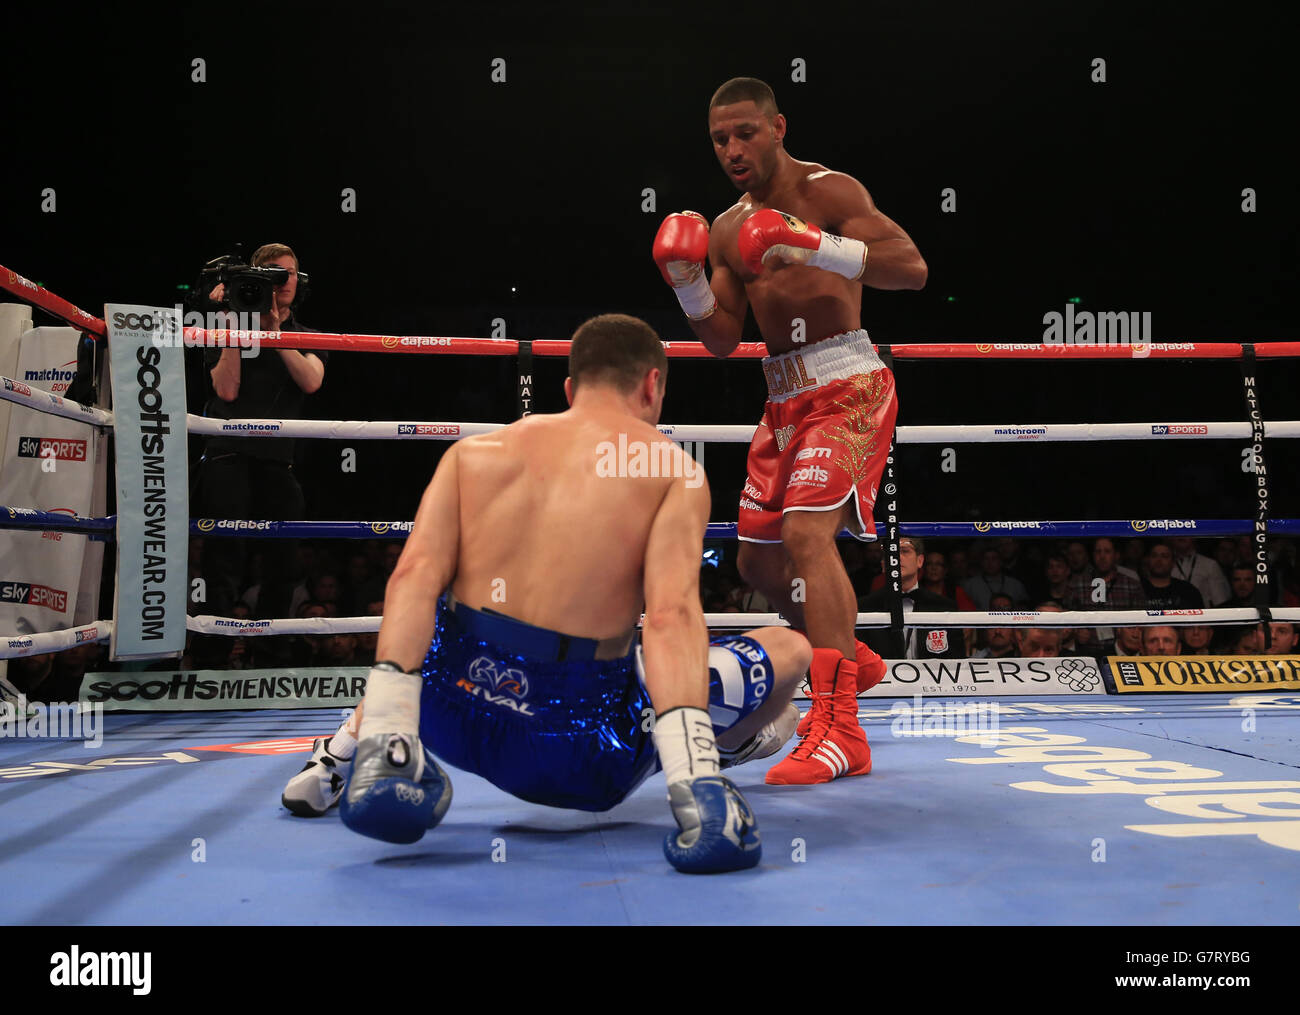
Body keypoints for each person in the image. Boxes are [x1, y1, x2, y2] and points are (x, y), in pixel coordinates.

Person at [285, 315, 812, 874]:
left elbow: (410, 578)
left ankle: (351, 754)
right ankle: (716, 751)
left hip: (447, 717)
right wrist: (694, 777)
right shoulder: (670, 471)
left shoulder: (473, 454)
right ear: (652, 385)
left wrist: (392, 726)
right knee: (789, 651)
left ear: (568, 388)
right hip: (577, 755)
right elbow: (669, 617)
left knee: (438, 615)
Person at [651, 76, 927, 785]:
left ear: (778, 127)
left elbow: (912, 269)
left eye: (745, 133)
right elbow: (721, 339)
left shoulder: (831, 192)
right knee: (758, 562)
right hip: (782, 398)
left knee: (807, 536)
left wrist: (815, 245)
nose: (732, 149)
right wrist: (686, 281)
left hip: (848, 382)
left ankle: (841, 729)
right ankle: (850, 658)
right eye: (719, 139)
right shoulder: (725, 228)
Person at [195, 243, 326, 666]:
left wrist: (274, 331)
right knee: (223, 560)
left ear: (299, 280)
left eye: (288, 274)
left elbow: (311, 381)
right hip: (227, 454)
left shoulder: (306, 333)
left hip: (277, 459)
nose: (282, 282)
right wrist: (233, 321)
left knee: (283, 561)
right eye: (272, 275)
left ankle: (271, 659)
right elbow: (226, 390)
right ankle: (212, 661)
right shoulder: (226, 326)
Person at [857, 536, 963, 666]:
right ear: (883, 564)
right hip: (882, 678)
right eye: (892, 552)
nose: (897, 557)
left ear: (920, 560)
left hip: (933, 678)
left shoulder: (943, 606)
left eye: (905, 551)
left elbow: (957, 664)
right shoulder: (865, 607)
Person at [1140, 539, 1205, 611]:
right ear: (1148, 560)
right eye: (1154, 556)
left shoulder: (1188, 591)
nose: (1158, 560)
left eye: (1164, 556)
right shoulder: (1137, 588)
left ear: (1173, 563)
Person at [1171, 536, 1231, 607]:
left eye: (1186, 531)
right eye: (1178, 532)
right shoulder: (1164, 565)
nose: (1182, 535)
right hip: (1171, 612)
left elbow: (1220, 600)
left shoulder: (1210, 564)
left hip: (1202, 612)